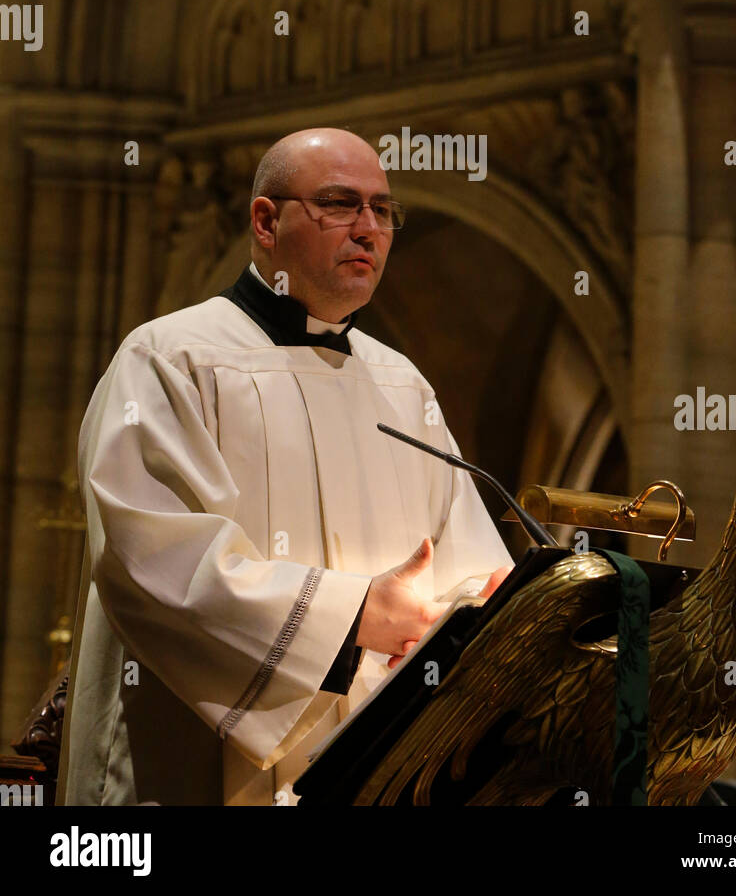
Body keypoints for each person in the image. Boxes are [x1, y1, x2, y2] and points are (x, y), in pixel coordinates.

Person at [57, 128, 513, 806]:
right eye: (339, 204)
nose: (369, 230)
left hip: (363, 764)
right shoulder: (169, 359)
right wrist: (352, 614)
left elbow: (465, 568)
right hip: (188, 763)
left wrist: (489, 609)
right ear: (266, 221)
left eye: (383, 210)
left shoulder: (402, 384)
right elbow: (152, 561)